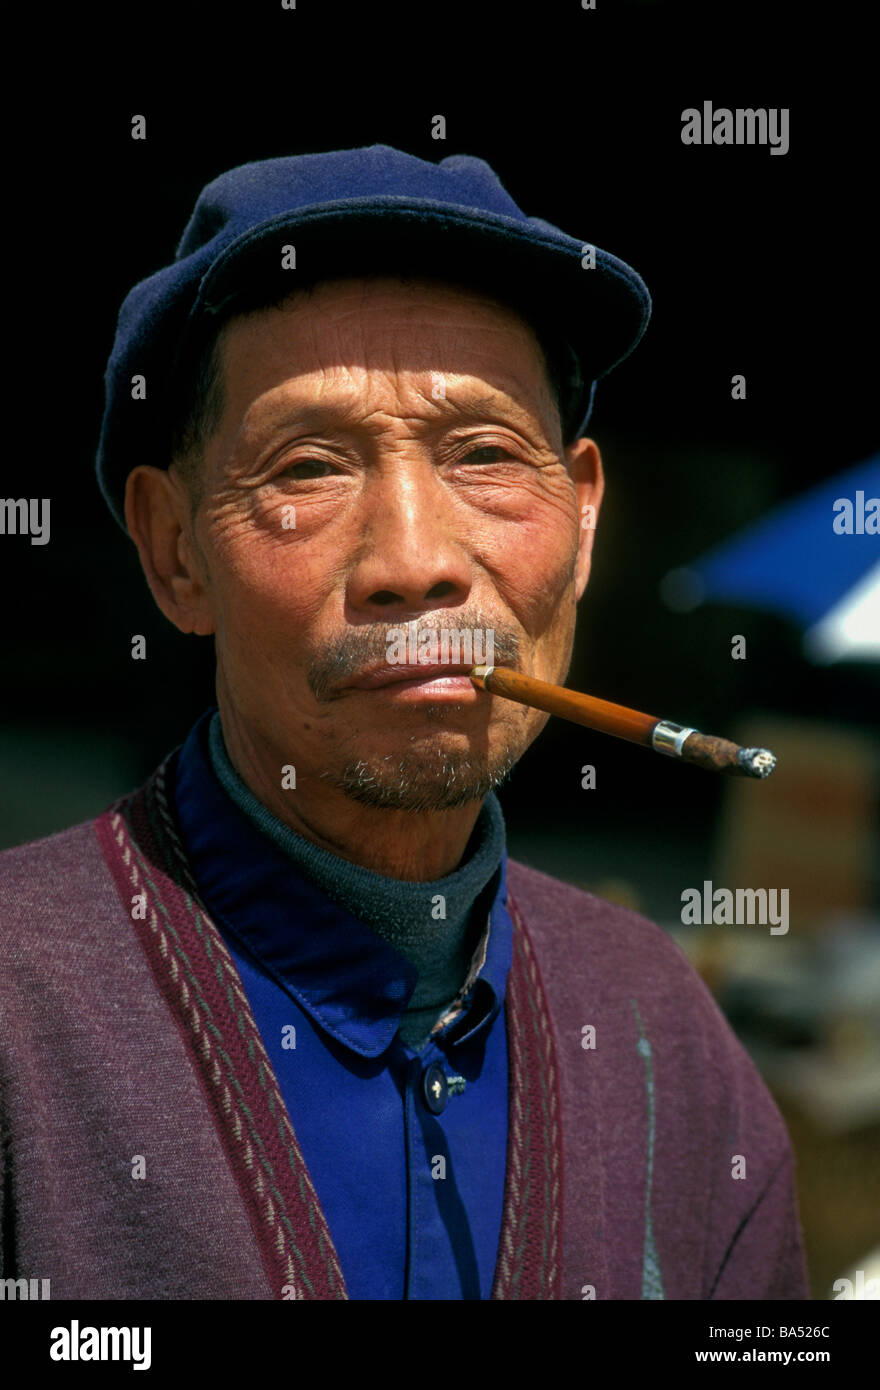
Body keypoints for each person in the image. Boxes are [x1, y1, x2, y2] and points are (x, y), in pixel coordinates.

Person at [0, 145, 808, 1300]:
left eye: (483, 455)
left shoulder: (659, 1031)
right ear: (175, 551)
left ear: (580, 521)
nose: (416, 562)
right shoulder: (21, 1009)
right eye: (311, 466)